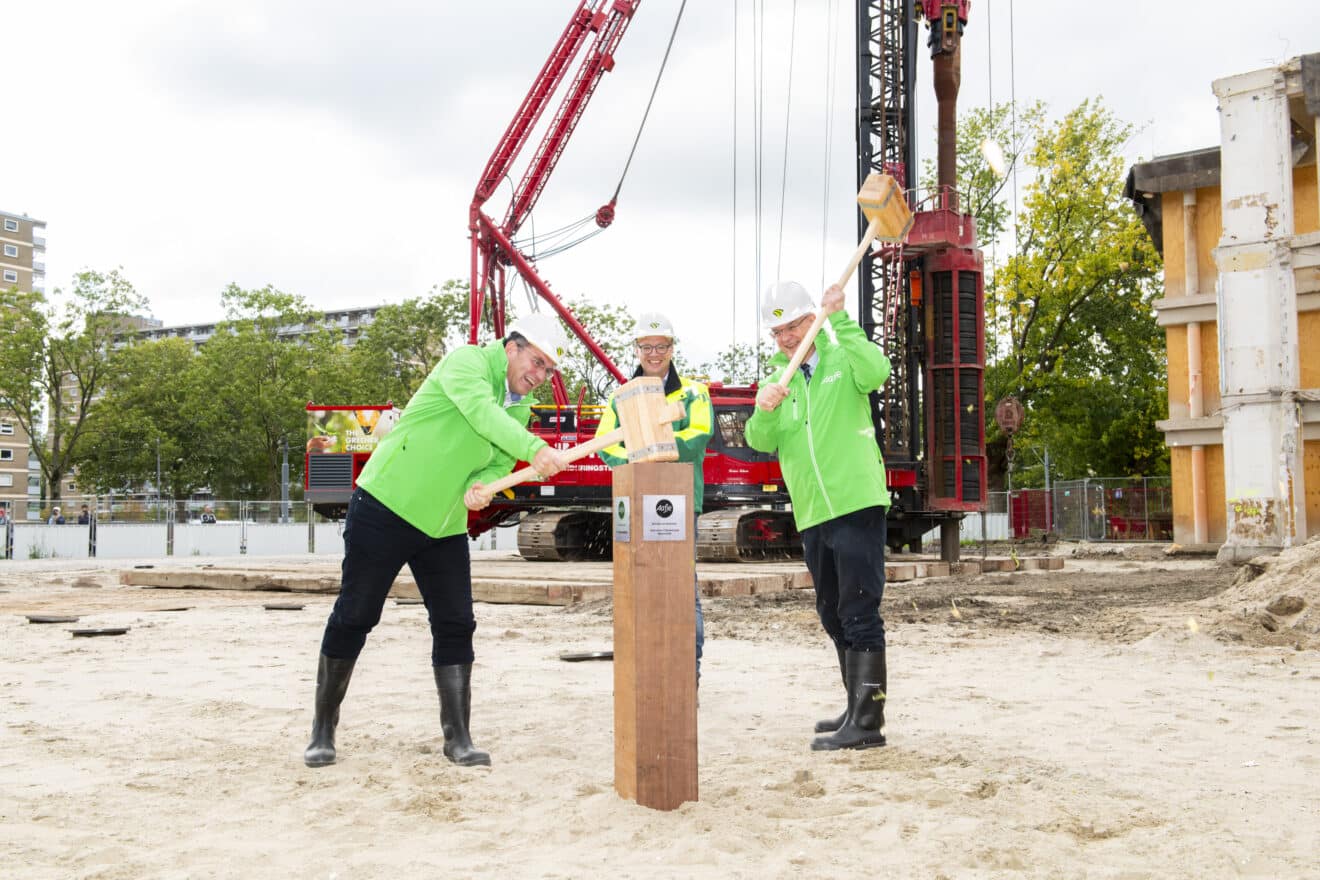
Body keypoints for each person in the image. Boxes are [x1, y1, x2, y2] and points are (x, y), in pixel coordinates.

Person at [305, 313, 570, 769]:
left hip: (443, 525)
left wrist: (481, 485)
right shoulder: (467, 362)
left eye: (548, 370)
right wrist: (535, 448)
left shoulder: (519, 408)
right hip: (385, 505)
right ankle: (322, 729)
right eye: (537, 362)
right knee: (356, 614)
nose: (540, 375)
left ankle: (458, 738)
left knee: (456, 623)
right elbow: (481, 414)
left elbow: (496, 461)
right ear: (512, 347)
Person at [745, 281, 893, 751]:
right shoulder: (778, 379)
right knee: (831, 611)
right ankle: (855, 706)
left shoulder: (842, 357)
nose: (786, 338)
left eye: (794, 326)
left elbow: (877, 371)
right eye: (777, 332)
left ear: (814, 320)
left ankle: (868, 724)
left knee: (858, 608)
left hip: (855, 502)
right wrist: (765, 410)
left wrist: (841, 318)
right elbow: (759, 439)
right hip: (812, 512)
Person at [592, 313, 712, 680]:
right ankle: (647, 676)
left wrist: (653, 449)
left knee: (682, 590)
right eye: (647, 346)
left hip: (680, 503)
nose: (654, 353)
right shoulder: (621, 397)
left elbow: (698, 435)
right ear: (637, 349)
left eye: (661, 346)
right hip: (635, 502)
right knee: (640, 589)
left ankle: (686, 677)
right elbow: (605, 444)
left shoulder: (694, 392)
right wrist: (637, 458)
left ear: (672, 349)